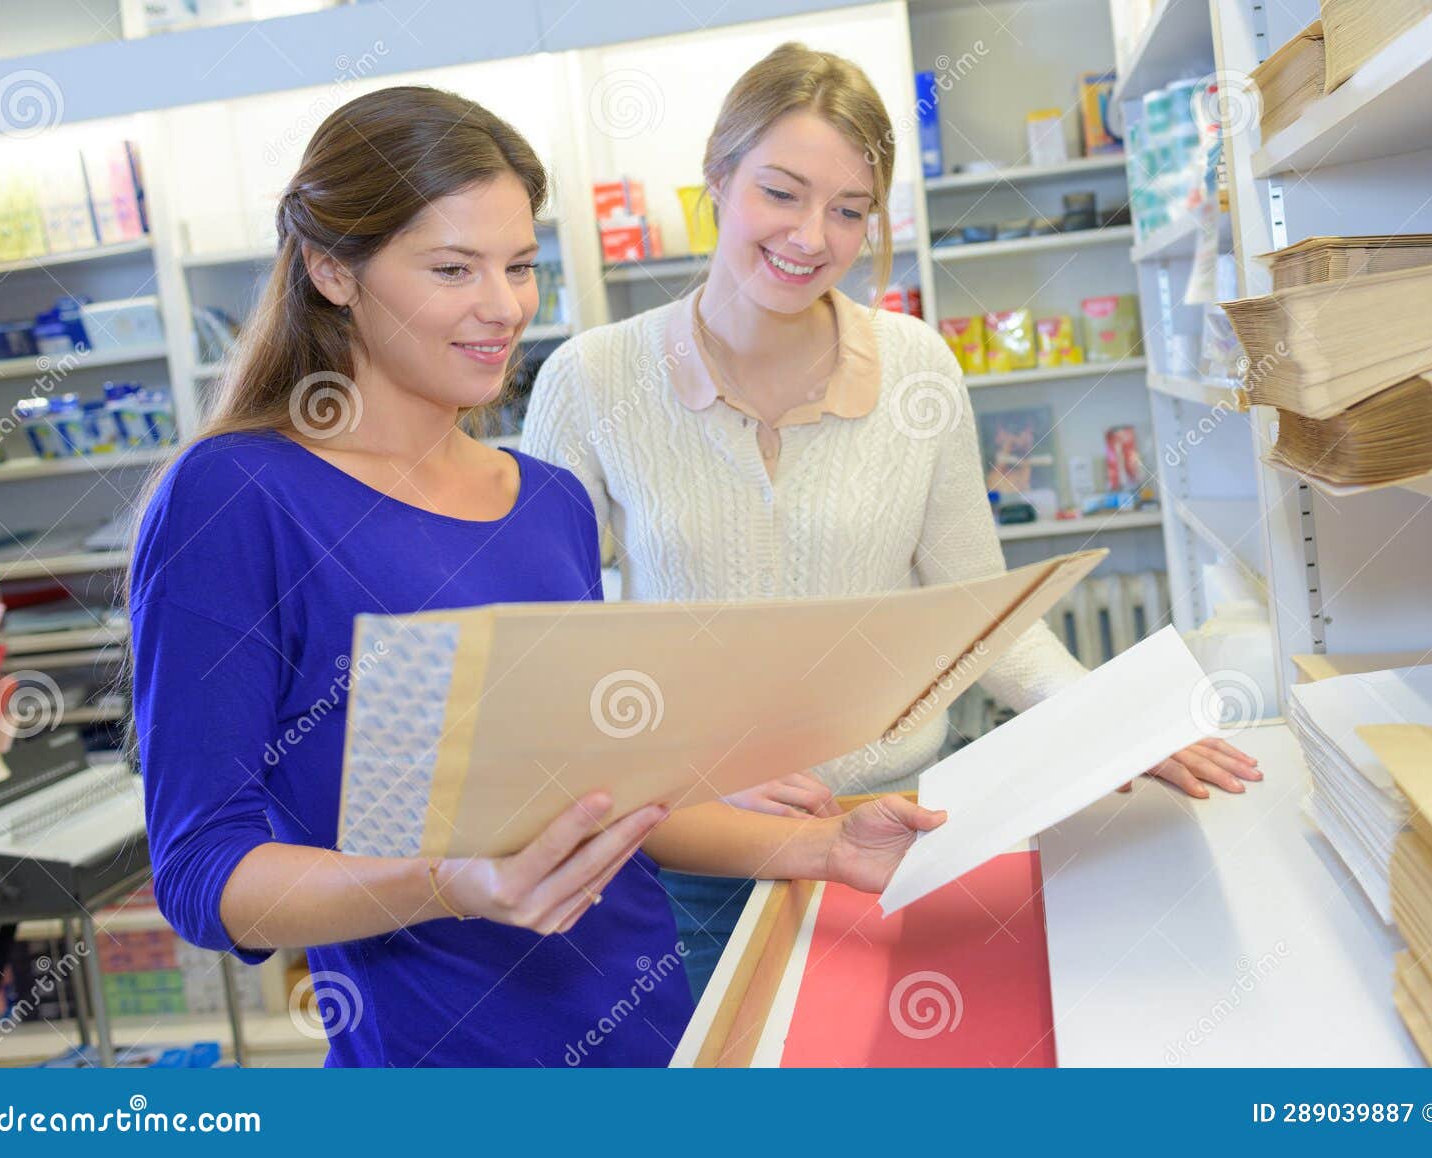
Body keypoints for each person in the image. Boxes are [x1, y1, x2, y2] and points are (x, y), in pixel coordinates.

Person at [129, 85, 944, 1068]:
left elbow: (599, 800)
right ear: (332, 270)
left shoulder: (547, 500)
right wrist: (449, 882)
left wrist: (821, 850)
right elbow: (203, 876)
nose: (505, 306)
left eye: (519, 266)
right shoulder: (236, 500)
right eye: (452, 268)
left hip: (657, 1034)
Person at [521, 43, 1262, 1000]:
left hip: (896, 828)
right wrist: (684, 770)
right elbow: (546, 653)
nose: (812, 235)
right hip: (697, 856)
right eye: (781, 192)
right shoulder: (590, 379)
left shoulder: (915, 368)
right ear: (718, 178)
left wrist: (1114, 725)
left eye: (851, 209)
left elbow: (983, 619)